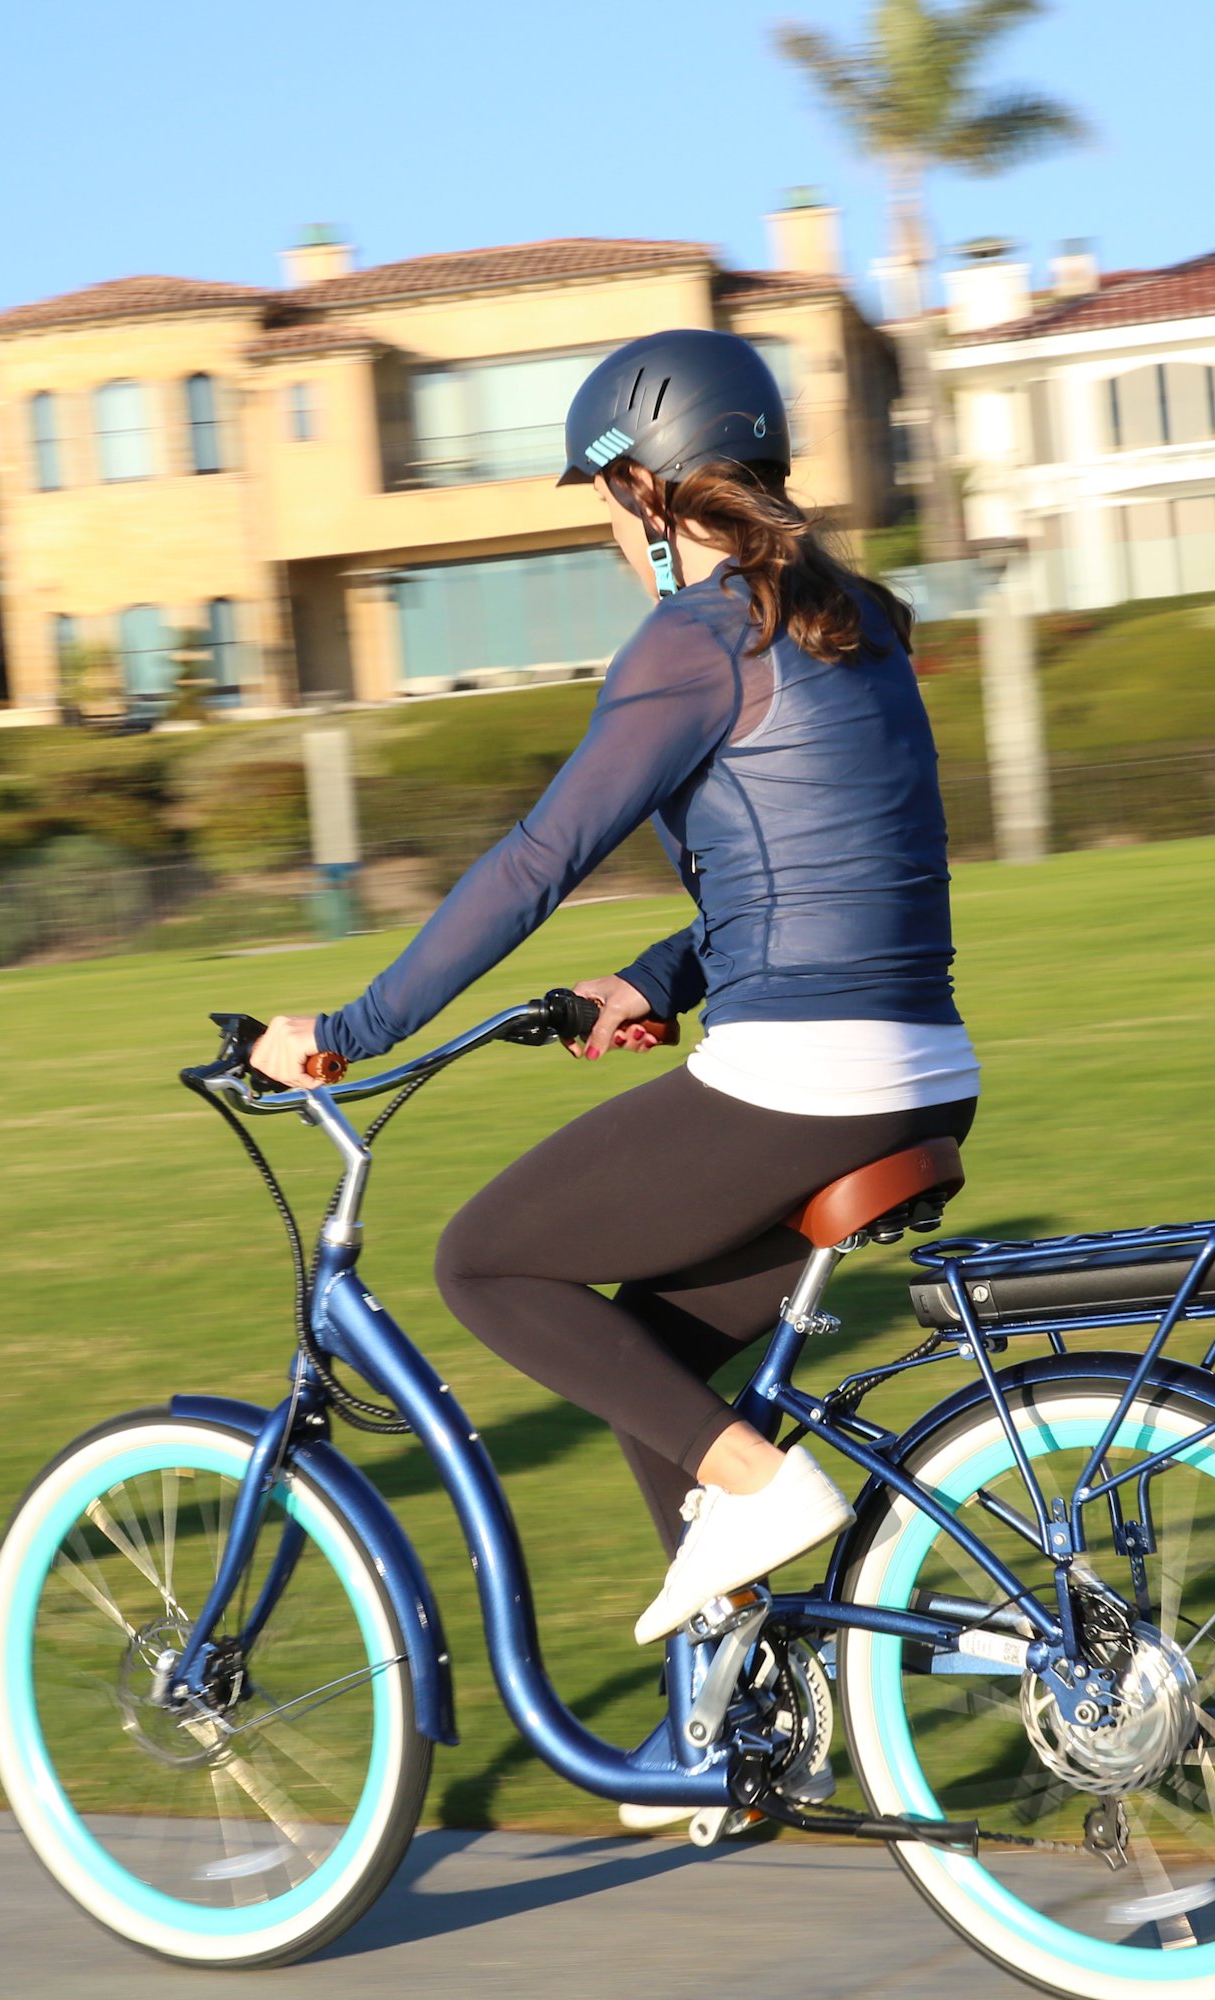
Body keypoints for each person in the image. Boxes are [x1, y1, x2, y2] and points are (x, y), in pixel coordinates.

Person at [248, 328, 976, 1689]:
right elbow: (834, 871)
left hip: (806, 1078)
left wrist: (349, 1029)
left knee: (488, 1263)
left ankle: (757, 1493)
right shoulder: (858, 614)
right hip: (928, 1067)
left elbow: (537, 859)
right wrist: (659, 976)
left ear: (645, 488)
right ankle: (737, 1709)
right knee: (645, 1352)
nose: (602, 527)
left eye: (600, 498)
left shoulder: (696, 637)